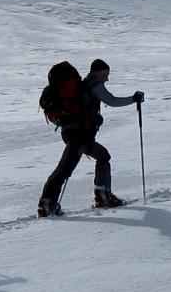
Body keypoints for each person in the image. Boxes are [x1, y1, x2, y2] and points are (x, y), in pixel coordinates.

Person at [40, 59, 144, 216]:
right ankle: (47, 204)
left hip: (75, 133)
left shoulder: (84, 85)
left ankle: (102, 195)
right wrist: (133, 99)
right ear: (102, 71)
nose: (107, 78)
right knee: (64, 169)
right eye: (106, 73)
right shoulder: (94, 85)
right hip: (79, 135)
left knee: (102, 155)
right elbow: (111, 101)